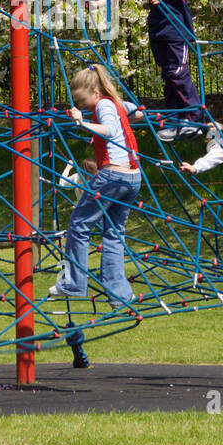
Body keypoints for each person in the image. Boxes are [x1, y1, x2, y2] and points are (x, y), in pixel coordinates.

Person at [50, 65, 141, 307]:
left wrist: (82, 123)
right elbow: (138, 113)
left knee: (79, 225)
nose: (82, 106)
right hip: (133, 176)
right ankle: (119, 294)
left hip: (112, 175)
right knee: (113, 232)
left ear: (95, 91)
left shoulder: (103, 105)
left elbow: (109, 130)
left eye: (82, 101)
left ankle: (73, 282)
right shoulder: (114, 102)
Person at [120, 0, 206, 141]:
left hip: (175, 24)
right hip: (157, 25)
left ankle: (194, 118)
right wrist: (99, 0)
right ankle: (175, 119)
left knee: (178, 71)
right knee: (167, 75)